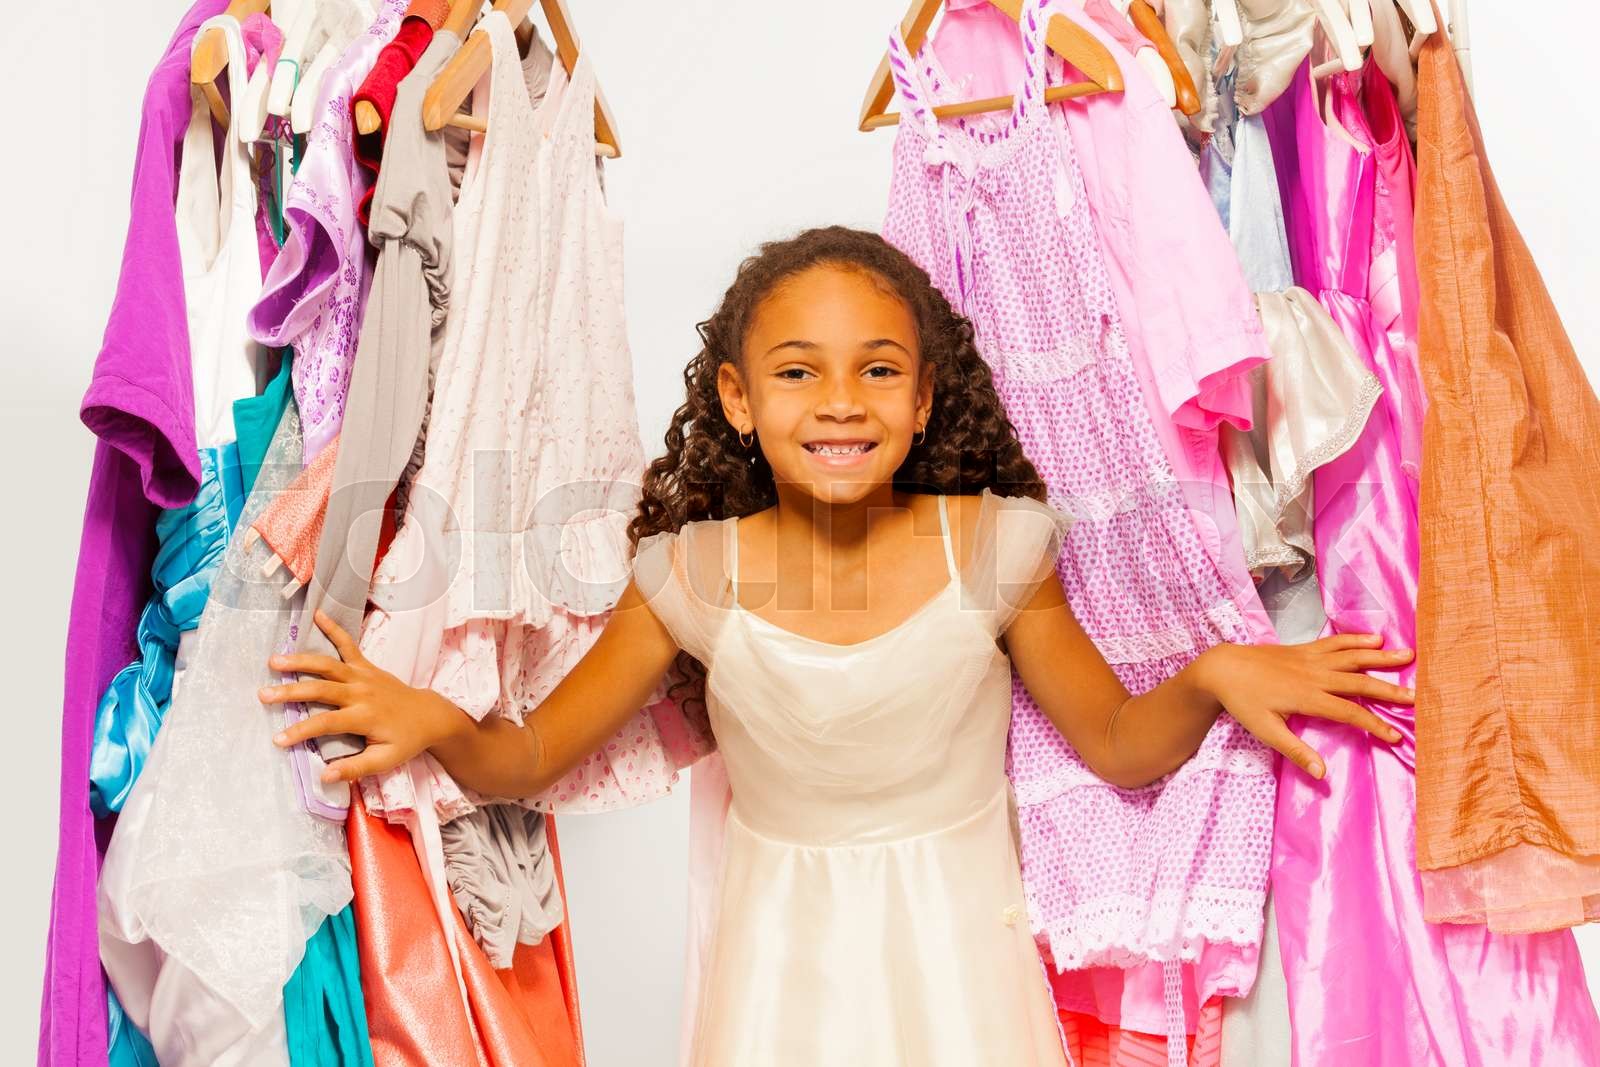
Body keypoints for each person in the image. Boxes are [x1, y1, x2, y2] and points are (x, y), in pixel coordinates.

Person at [260, 226, 1411, 1065]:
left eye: (877, 369)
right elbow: (532, 754)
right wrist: (437, 724)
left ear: (922, 400)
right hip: (780, 976)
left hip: (962, 961)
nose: (840, 400)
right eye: (798, 371)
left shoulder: (997, 546)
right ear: (740, 398)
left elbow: (1114, 742)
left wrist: (1210, 674)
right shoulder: (690, 574)